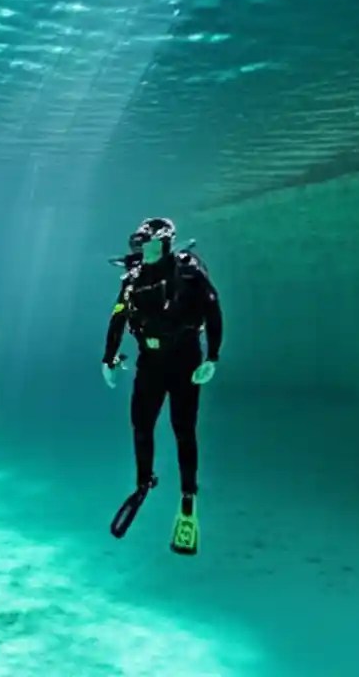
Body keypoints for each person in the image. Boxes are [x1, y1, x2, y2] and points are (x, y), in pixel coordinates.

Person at [101, 217, 223, 555]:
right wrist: (108, 358)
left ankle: (188, 494)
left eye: (149, 244)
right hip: (149, 362)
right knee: (141, 425)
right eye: (139, 244)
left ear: (166, 243)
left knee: (183, 429)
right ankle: (143, 482)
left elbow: (213, 314)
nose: (142, 250)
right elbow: (118, 316)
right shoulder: (134, 279)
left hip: (185, 361)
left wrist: (211, 358)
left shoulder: (189, 275)